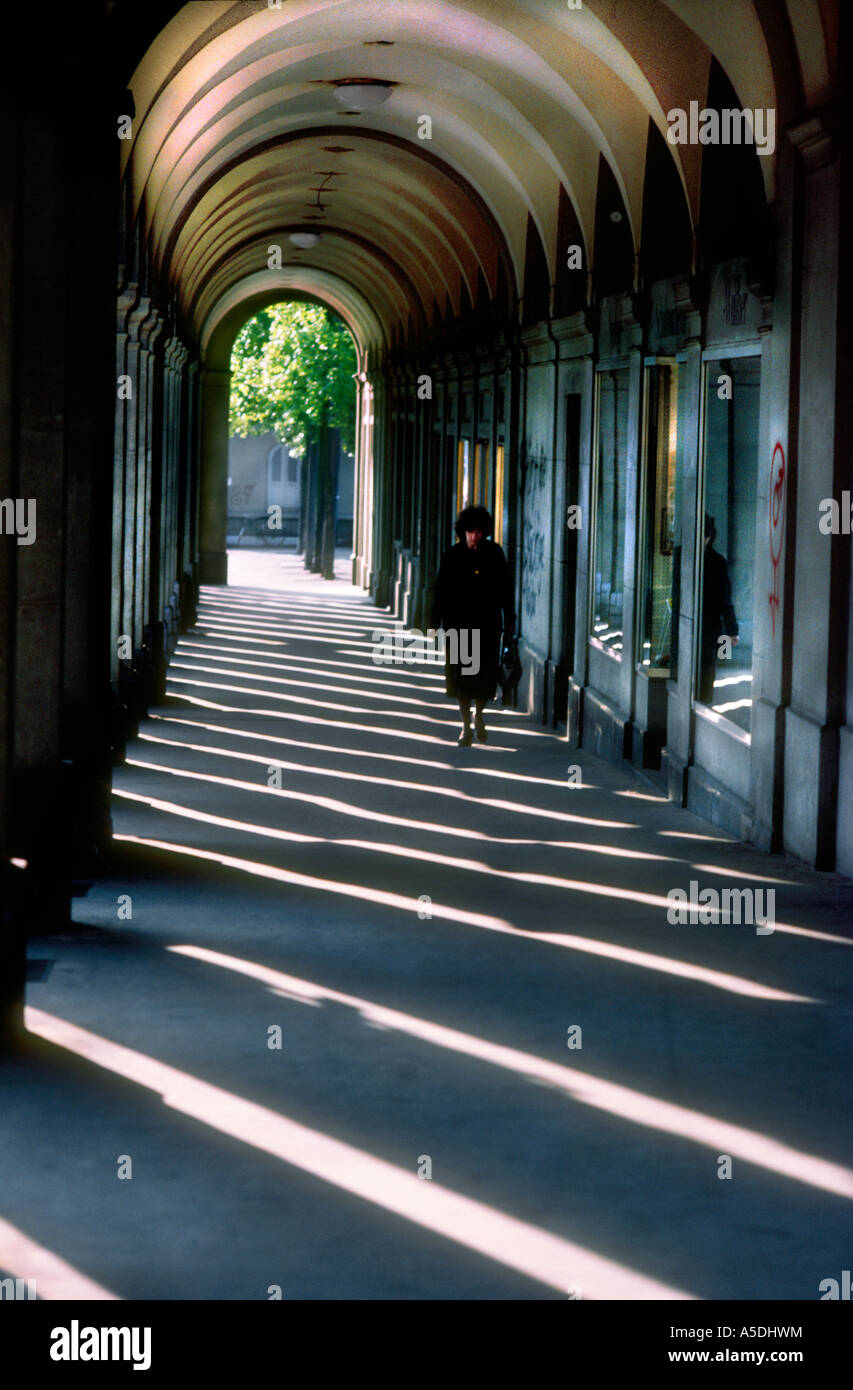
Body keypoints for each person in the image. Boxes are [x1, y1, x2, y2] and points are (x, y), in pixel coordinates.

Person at [430, 505, 515, 746]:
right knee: (462, 677)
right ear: (463, 532)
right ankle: (465, 726)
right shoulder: (452, 555)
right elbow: (441, 592)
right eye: (470, 532)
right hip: (459, 625)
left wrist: (510, 621)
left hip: (488, 625)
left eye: (478, 532)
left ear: (484, 532)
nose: (474, 537)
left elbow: (506, 591)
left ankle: (479, 714)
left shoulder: (495, 554)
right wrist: (434, 623)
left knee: (485, 676)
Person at [699, 513, 738, 705]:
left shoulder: (681, 556)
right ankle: (703, 703)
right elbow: (725, 600)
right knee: (707, 671)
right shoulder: (718, 562)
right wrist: (732, 631)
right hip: (710, 626)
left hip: (695, 626)